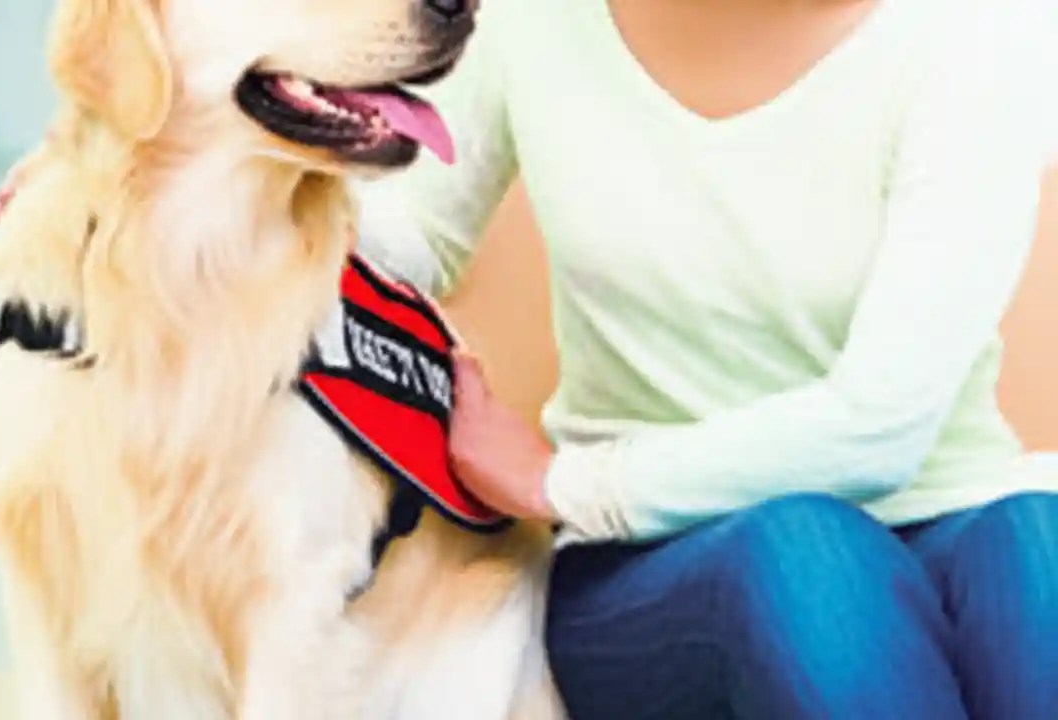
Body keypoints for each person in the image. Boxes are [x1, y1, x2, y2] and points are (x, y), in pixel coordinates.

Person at [352, 0, 1058, 717]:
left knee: (1042, 550)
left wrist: (566, 483)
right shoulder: (539, 17)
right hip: (653, 559)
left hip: (939, 515)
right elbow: (414, 232)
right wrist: (262, 154)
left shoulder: (976, 33)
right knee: (804, 552)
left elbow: (878, 426)